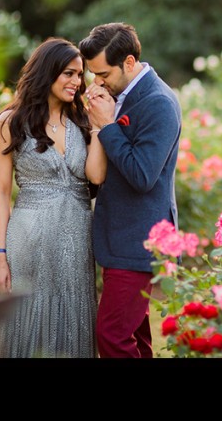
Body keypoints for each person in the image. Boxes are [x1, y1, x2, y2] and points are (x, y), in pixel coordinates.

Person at [0, 37, 107, 358]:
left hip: (77, 239)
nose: (76, 81)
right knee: (24, 320)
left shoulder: (82, 121)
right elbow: (0, 194)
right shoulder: (10, 123)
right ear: (47, 72)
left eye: (80, 75)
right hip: (29, 238)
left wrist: (98, 128)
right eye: (68, 73)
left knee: (73, 319)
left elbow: (96, 176)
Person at [79, 22, 182, 358]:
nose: (97, 82)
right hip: (119, 237)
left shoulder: (158, 103)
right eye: (93, 74)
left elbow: (141, 175)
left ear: (128, 62)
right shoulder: (119, 95)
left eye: (103, 73)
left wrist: (107, 125)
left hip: (140, 240)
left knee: (111, 335)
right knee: (135, 337)